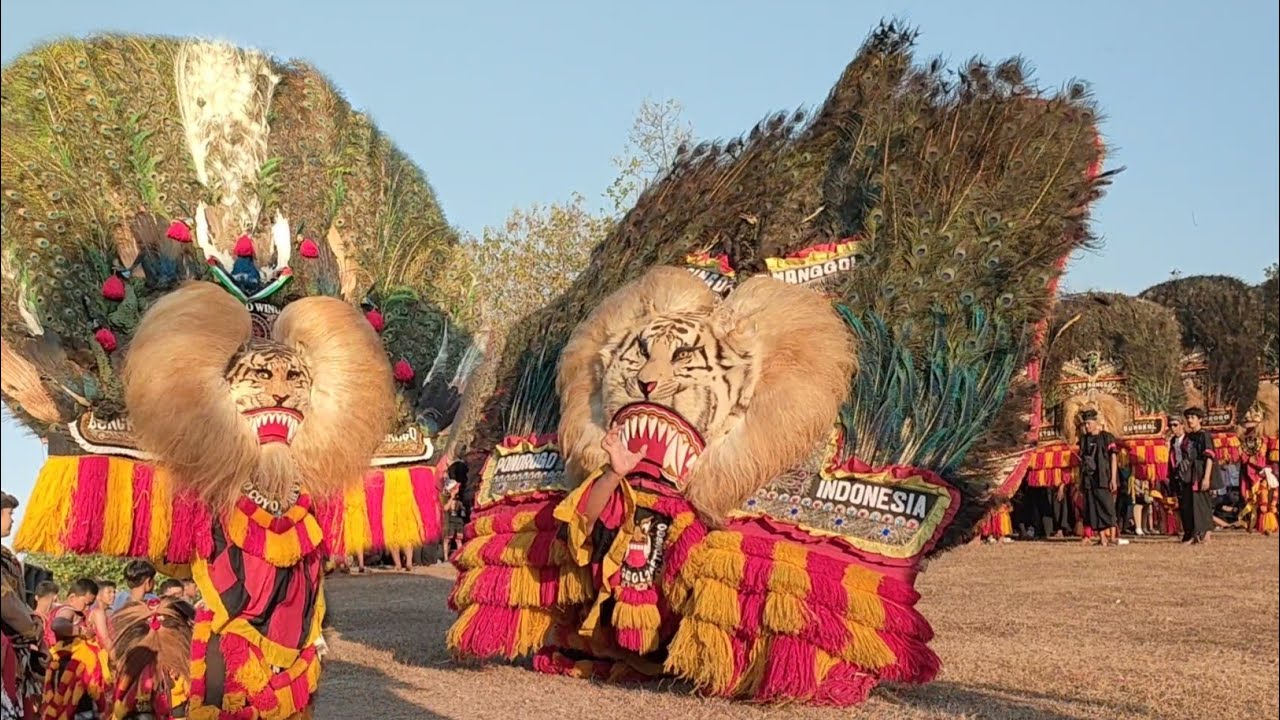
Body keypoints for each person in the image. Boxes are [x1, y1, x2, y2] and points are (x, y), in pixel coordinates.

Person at [2, 492, 47, 720]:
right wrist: (34, 631)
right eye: (9, 514)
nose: (12, 520)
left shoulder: (5, 557)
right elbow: (7, 602)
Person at [44, 577, 111, 718]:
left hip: (67, 673)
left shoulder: (71, 611)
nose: (87, 609)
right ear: (72, 597)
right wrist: (81, 631)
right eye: (86, 604)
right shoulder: (68, 610)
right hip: (69, 671)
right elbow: (57, 625)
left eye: (91, 605)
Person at [1077, 410, 1125, 546]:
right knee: (1093, 508)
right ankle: (1102, 538)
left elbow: (1113, 457)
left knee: (1107, 507)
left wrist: (1113, 478)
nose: (1087, 426)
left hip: (1103, 477)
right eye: (1085, 423)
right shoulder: (1084, 439)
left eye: (1089, 423)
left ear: (1096, 422)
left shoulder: (1107, 437)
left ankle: (1113, 537)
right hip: (1089, 479)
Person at [1172, 408, 1216, 544]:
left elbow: (1209, 457)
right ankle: (1193, 534)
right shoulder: (1189, 436)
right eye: (1188, 418)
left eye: (1193, 417)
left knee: (1203, 504)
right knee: (1189, 504)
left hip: (1201, 472)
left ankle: (1207, 534)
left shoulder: (1205, 435)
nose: (1190, 420)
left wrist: (1207, 477)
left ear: (1200, 419)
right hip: (1190, 474)